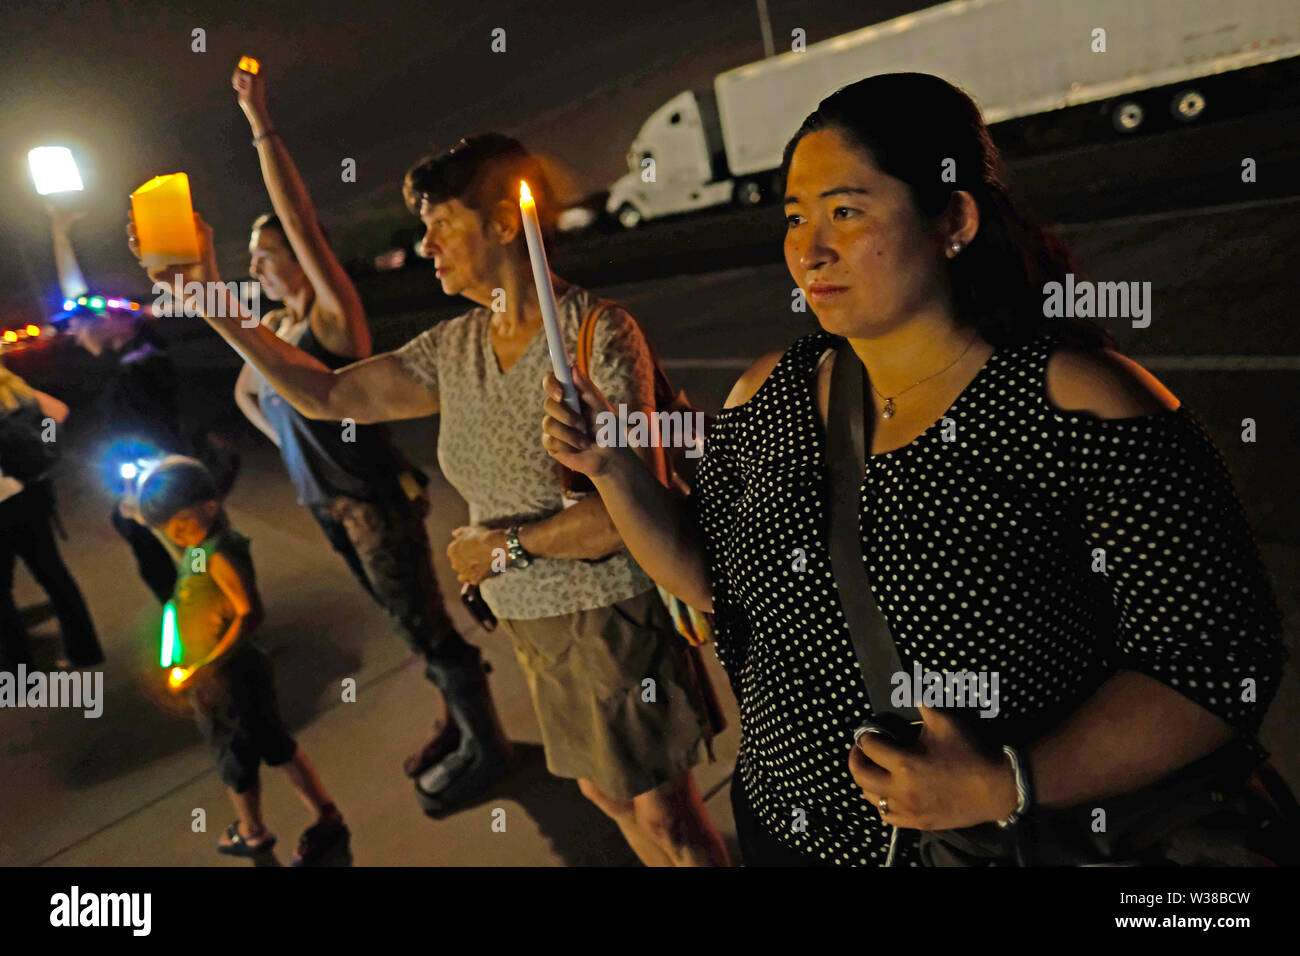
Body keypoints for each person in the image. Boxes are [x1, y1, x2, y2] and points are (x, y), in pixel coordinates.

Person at [540, 72, 1287, 866]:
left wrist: (1005, 782)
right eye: (796, 217)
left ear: (954, 220)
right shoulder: (770, 394)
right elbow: (716, 585)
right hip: (788, 834)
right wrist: (614, 469)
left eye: (847, 212)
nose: (810, 248)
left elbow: (1220, 664)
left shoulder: (1074, 401)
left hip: (987, 849)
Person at [131, 132, 729, 866]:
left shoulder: (595, 335)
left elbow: (623, 515)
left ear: (506, 222)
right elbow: (327, 392)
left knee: (668, 820)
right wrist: (207, 295)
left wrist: (504, 549)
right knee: (605, 797)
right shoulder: (456, 348)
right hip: (532, 626)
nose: (425, 245)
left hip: (612, 618)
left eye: (441, 223)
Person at [225, 64, 499, 800]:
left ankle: (485, 744)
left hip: (374, 501)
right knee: (408, 626)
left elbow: (306, 224)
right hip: (329, 505)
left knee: (427, 627)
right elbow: (250, 388)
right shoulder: (280, 332)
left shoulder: (327, 321)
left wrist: (260, 125)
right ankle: (459, 718)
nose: (254, 267)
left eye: (264, 255)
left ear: (296, 261)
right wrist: (287, 439)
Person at [138, 455, 349, 865]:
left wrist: (207, 666)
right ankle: (327, 814)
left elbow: (249, 613)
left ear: (210, 507)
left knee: (234, 758)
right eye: (168, 528)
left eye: (181, 522)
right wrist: (144, 513)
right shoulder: (202, 547)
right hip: (233, 671)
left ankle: (252, 832)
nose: (175, 534)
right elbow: (181, 553)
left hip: (225, 679)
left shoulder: (218, 554)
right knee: (276, 746)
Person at [71, 306, 240, 605]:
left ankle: (210, 619)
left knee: (188, 552)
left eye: (79, 325)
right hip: (168, 478)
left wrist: (133, 491)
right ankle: (211, 615)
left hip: (166, 482)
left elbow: (152, 431)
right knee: (192, 550)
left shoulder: (139, 367)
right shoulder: (138, 361)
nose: (75, 336)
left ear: (114, 321)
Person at [0, 360, 103, 669]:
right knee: (54, 575)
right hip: (30, 495)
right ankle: (85, 652)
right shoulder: (10, 386)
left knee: (1, 594)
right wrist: (45, 453)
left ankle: (19, 675)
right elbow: (58, 411)